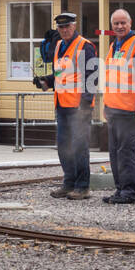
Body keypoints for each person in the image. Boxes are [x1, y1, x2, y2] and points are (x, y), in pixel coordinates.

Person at [34, 12, 97, 199]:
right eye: (61, 27)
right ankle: (69, 183)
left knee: (79, 147)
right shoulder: (60, 45)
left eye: (67, 26)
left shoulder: (85, 46)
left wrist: (85, 105)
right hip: (62, 105)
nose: (64, 29)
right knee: (64, 147)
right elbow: (63, 75)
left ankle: (83, 187)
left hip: (79, 107)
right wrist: (47, 81)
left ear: (74, 25)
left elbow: (91, 78)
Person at [101, 9, 135, 204]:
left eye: (123, 23)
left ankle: (129, 193)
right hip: (114, 110)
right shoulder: (115, 45)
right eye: (116, 23)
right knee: (115, 154)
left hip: (128, 110)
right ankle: (120, 190)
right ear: (112, 26)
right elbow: (111, 79)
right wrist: (106, 106)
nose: (120, 26)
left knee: (126, 153)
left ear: (130, 24)